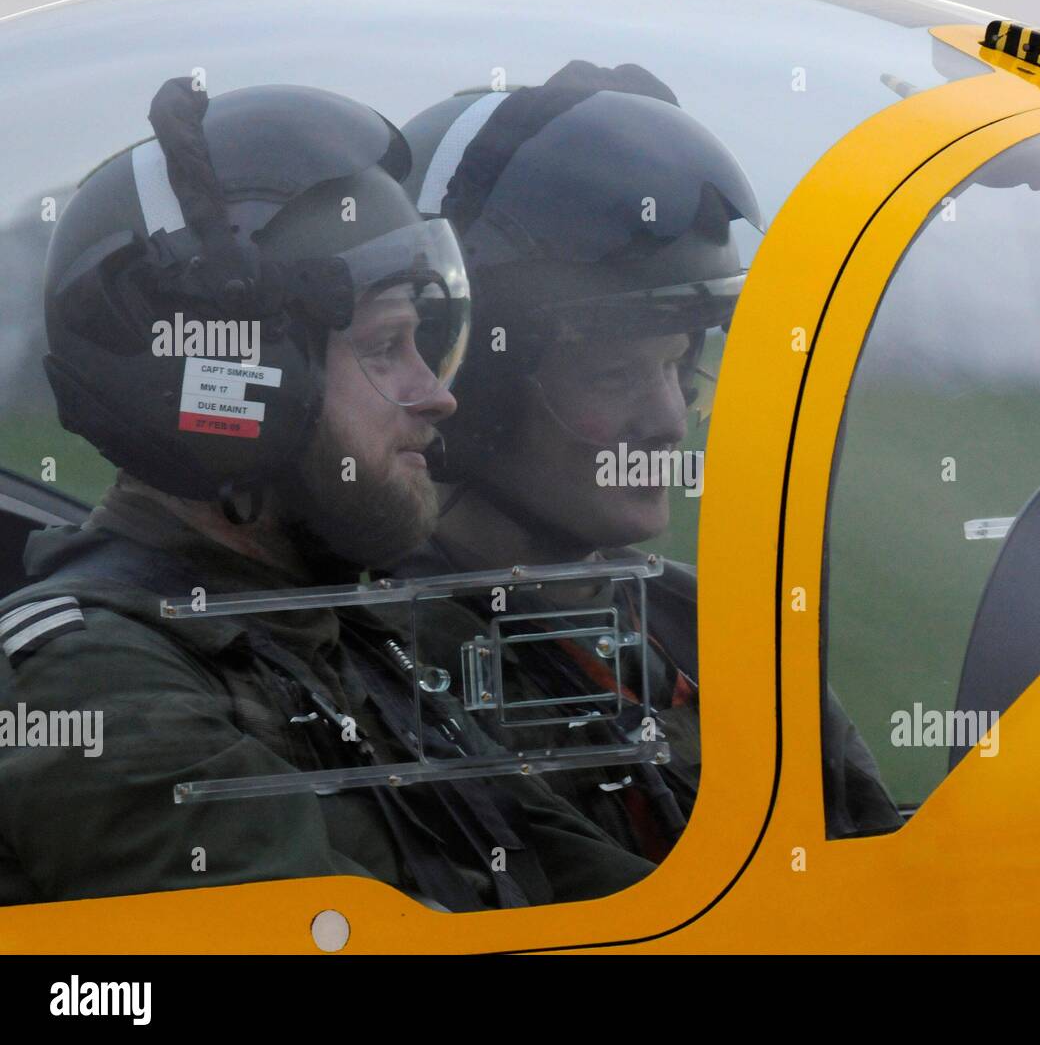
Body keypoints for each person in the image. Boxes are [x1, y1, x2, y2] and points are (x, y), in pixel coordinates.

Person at [0, 78, 654, 910]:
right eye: (385, 346)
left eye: (425, 343)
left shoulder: (346, 641)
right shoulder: (95, 691)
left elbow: (629, 912)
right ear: (233, 391)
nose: (437, 394)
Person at [387, 62, 903, 860]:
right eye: (613, 374)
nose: (667, 421)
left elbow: (876, 872)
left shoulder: (697, 624)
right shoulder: (379, 654)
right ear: (471, 388)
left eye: (677, 366)